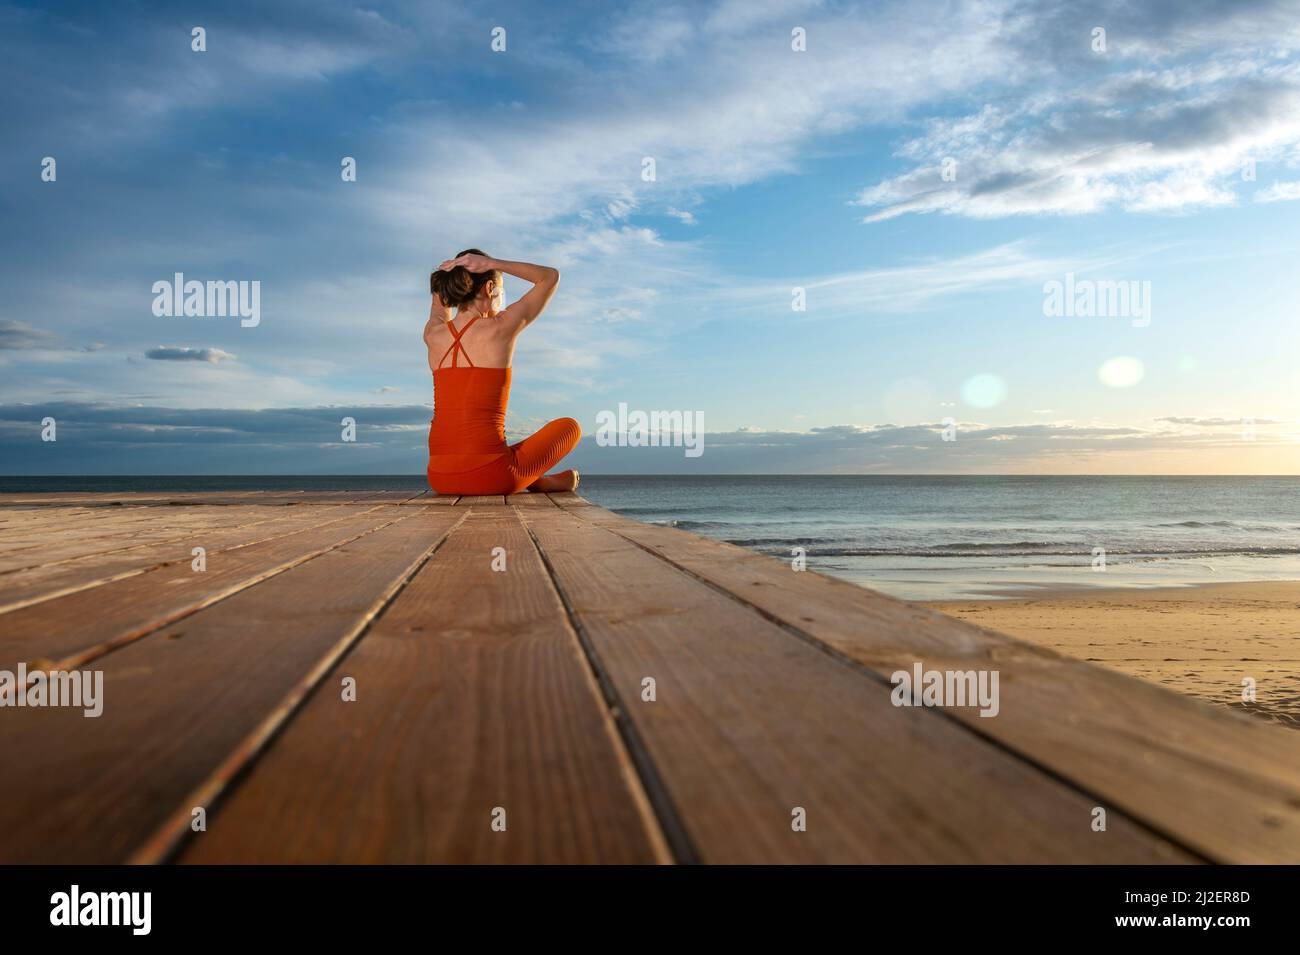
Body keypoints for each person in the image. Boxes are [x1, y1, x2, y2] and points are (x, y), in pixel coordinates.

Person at [424, 249, 580, 495]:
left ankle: (539, 480)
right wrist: (491, 263)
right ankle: (530, 479)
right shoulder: (501, 327)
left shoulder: (433, 334)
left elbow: (438, 306)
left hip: (439, 477)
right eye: (501, 290)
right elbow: (549, 277)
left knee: (493, 453)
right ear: (489, 289)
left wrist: (445, 276)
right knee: (570, 427)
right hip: (491, 477)